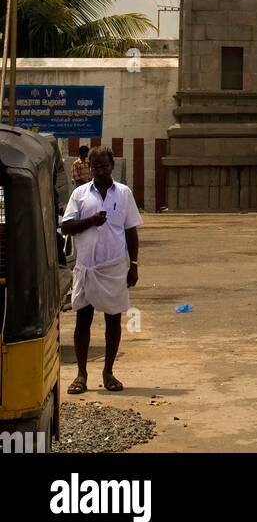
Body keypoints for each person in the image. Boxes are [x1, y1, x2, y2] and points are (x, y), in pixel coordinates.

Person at [60, 146, 143, 393]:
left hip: (114, 267)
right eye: (95, 167)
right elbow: (66, 227)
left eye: (104, 166)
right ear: (90, 168)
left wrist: (134, 265)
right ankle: (81, 375)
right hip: (87, 267)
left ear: (112, 166)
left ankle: (108, 373)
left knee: (113, 320)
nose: (100, 171)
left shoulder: (124, 193)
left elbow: (130, 230)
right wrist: (91, 221)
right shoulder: (80, 194)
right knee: (82, 319)